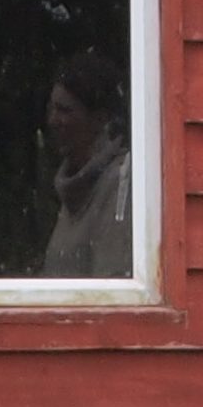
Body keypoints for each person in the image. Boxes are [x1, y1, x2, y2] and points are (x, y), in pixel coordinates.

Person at [39, 47, 133, 279]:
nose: (53, 121)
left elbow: (113, 285)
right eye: (51, 109)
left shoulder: (120, 184)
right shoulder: (73, 191)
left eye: (65, 111)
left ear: (99, 118)